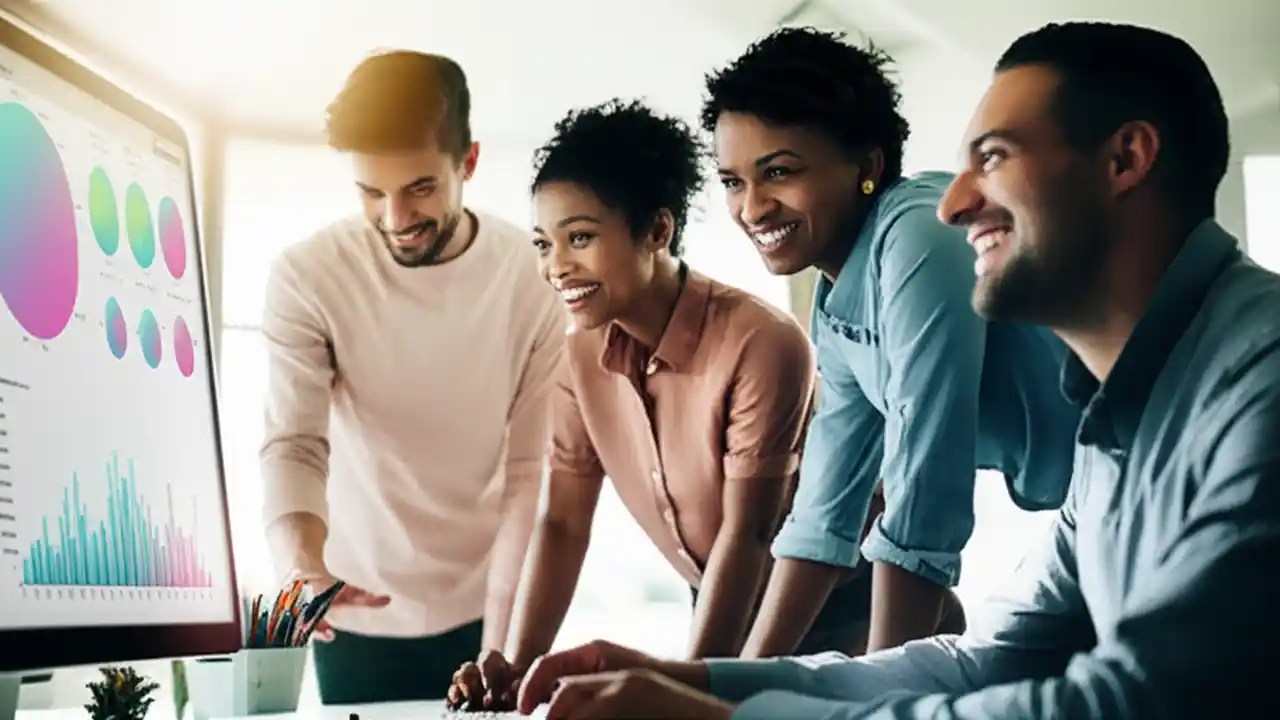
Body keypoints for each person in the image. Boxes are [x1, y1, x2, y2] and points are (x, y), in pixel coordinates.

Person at [511, 20, 1280, 719]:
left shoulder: (1261, 378)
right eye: (736, 181)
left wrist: (733, 718)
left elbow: (1136, 699)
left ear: (1126, 159)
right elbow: (986, 653)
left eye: (993, 158)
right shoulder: (1114, 427)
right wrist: (701, 682)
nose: (955, 203)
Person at [445, 98, 856, 711]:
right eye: (543, 243)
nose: (557, 267)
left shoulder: (760, 342)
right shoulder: (577, 358)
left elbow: (747, 534)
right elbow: (561, 525)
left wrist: (684, 692)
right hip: (719, 606)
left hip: (844, 623)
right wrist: (515, 670)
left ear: (657, 231)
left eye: (579, 237)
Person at [704, 26, 1079, 658]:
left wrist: (876, 684)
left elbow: (925, 488)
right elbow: (823, 518)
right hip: (1091, 492)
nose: (753, 207)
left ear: (868, 167)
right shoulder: (837, 306)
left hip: (1170, 449)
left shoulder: (919, 235)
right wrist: (732, 688)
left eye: (780, 172)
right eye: (733, 181)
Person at [258, 50, 564, 704]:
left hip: (490, 604)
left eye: (420, 188)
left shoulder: (533, 277)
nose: (396, 219)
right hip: (350, 605)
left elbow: (530, 475)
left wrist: (505, 641)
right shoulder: (307, 276)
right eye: (372, 192)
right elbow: (294, 443)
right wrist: (301, 566)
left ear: (468, 163)